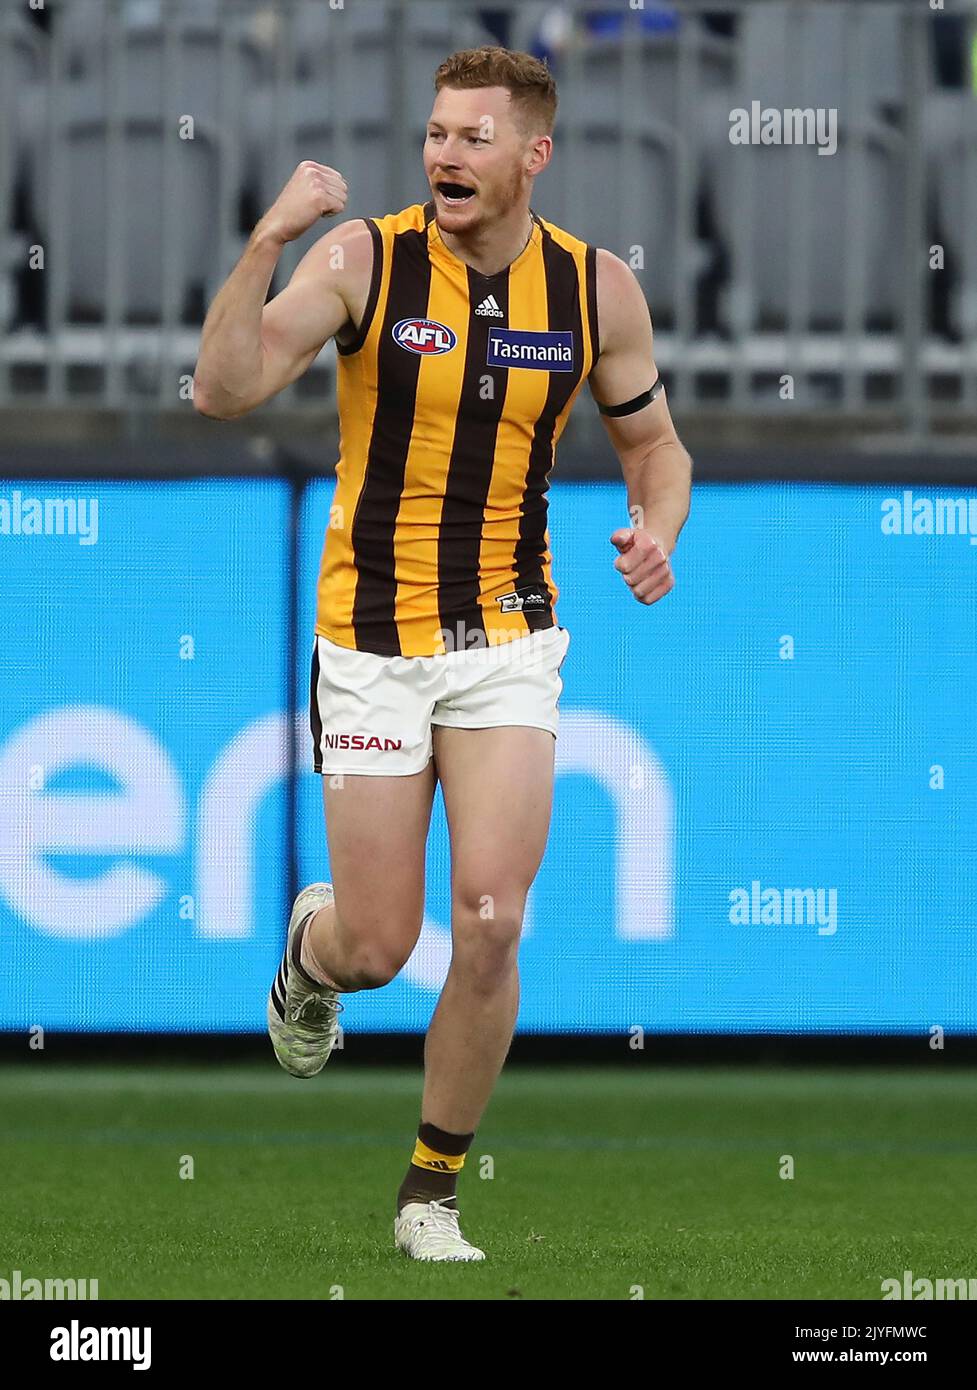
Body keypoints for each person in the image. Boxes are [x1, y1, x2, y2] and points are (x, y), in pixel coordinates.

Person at [193, 44, 691, 1263]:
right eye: (433, 134)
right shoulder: (364, 258)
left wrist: (657, 529)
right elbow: (225, 388)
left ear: (534, 153)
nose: (443, 155)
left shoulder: (593, 291)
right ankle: (312, 956)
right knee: (376, 945)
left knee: (488, 919)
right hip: (370, 638)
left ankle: (430, 1194)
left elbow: (657, 449)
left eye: (472, 137)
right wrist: (266, 240)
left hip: (507, 638)